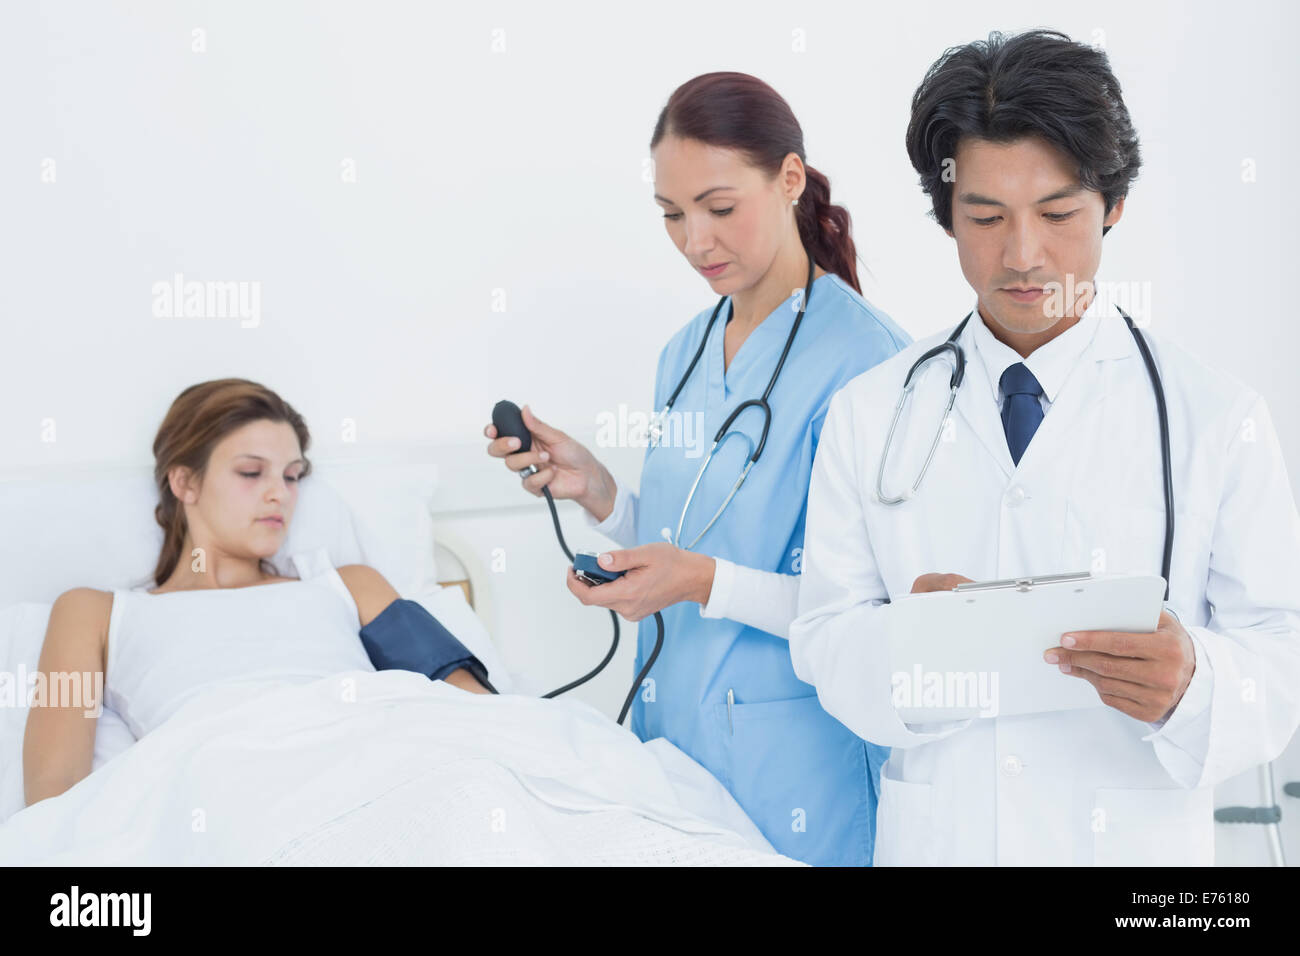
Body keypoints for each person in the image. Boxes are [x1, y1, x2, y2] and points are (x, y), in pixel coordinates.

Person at [789, 29, 1300, 865]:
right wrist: (917, 649)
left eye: (1058, 214)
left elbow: (1283, 658)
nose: (1022, 255)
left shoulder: (1217, 417)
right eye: (984, 217)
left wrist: (1194, 684)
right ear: (945, 213)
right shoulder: (868, 412)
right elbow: (824, 638)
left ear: (1114, 205)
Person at [484, 72, 909, 865]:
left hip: (796, 765)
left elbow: (870, 614)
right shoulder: (683, 355)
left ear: (789, 179)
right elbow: (692, 538)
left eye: (720, 208)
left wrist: (700, 582)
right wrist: (600, 494)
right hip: (672, 736)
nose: (694, 242)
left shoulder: (870, 362)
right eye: (672, 215)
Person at [22, 378, 490, 807]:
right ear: (184, 482)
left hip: (387, 779)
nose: (280, 495)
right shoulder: (93, 613)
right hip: (232, 804)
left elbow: (476, 711)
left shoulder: (352, 586)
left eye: (291, 475)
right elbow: (54, 795)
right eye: (251, 473)